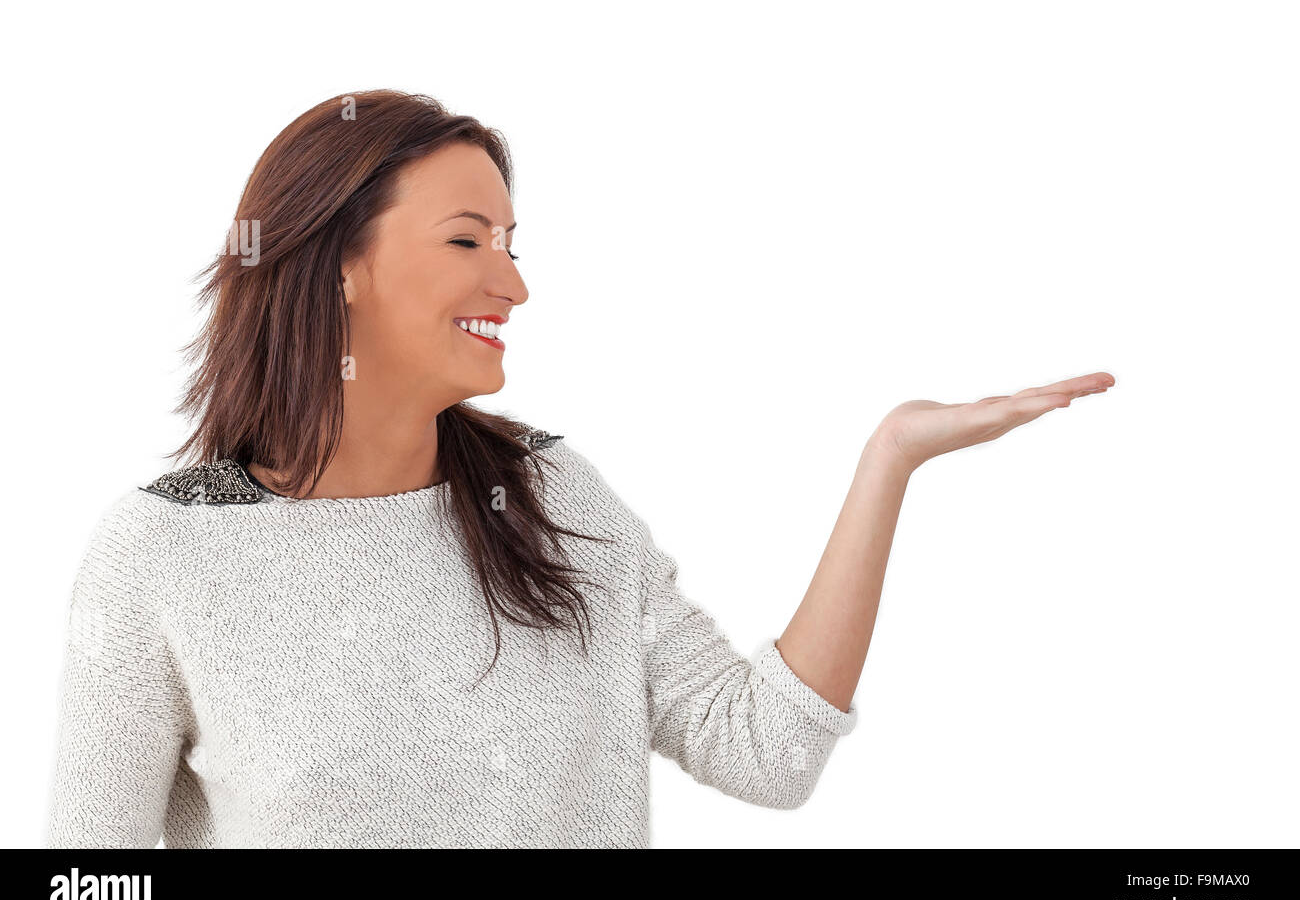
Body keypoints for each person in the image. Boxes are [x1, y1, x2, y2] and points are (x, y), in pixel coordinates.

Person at [44, 89, 1114, 848]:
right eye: (469, 240)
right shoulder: (166, 547)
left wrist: (889, 459)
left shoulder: (549, 495)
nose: (511, 283)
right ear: (337, 267)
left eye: (513, 241)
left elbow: (766, 752)